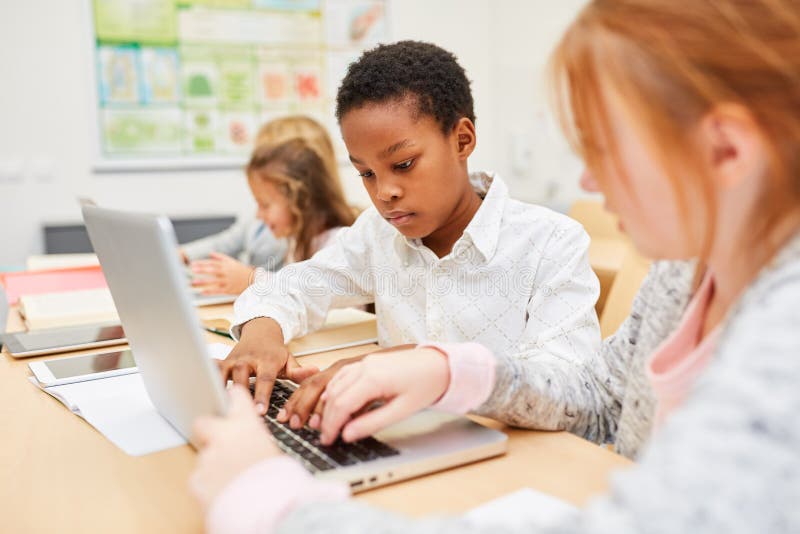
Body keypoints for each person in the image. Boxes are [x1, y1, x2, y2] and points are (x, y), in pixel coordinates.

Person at [191, 1, 800, 532]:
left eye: (606, 148)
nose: (586, 179)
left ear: (726, 149)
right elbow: (595, 398)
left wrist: (267, 504)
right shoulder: (683, 274)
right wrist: (448, 369)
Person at [217, 40, 601, 432]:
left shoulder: (552, 243)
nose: (384, 192)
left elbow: (572, 395)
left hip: (513, 459)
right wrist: (262, 330)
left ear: (462, 140)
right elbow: (294, 284)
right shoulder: (378, 233)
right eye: (366, 173)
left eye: (403, 164)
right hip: (402, 439)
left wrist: (424, 365)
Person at [184, 115, 346, 295]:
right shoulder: (295, 241)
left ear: (299, 197)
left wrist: (252, 279)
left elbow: (318, 294)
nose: (259, 215)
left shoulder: (336, 242)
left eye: (265, 205)